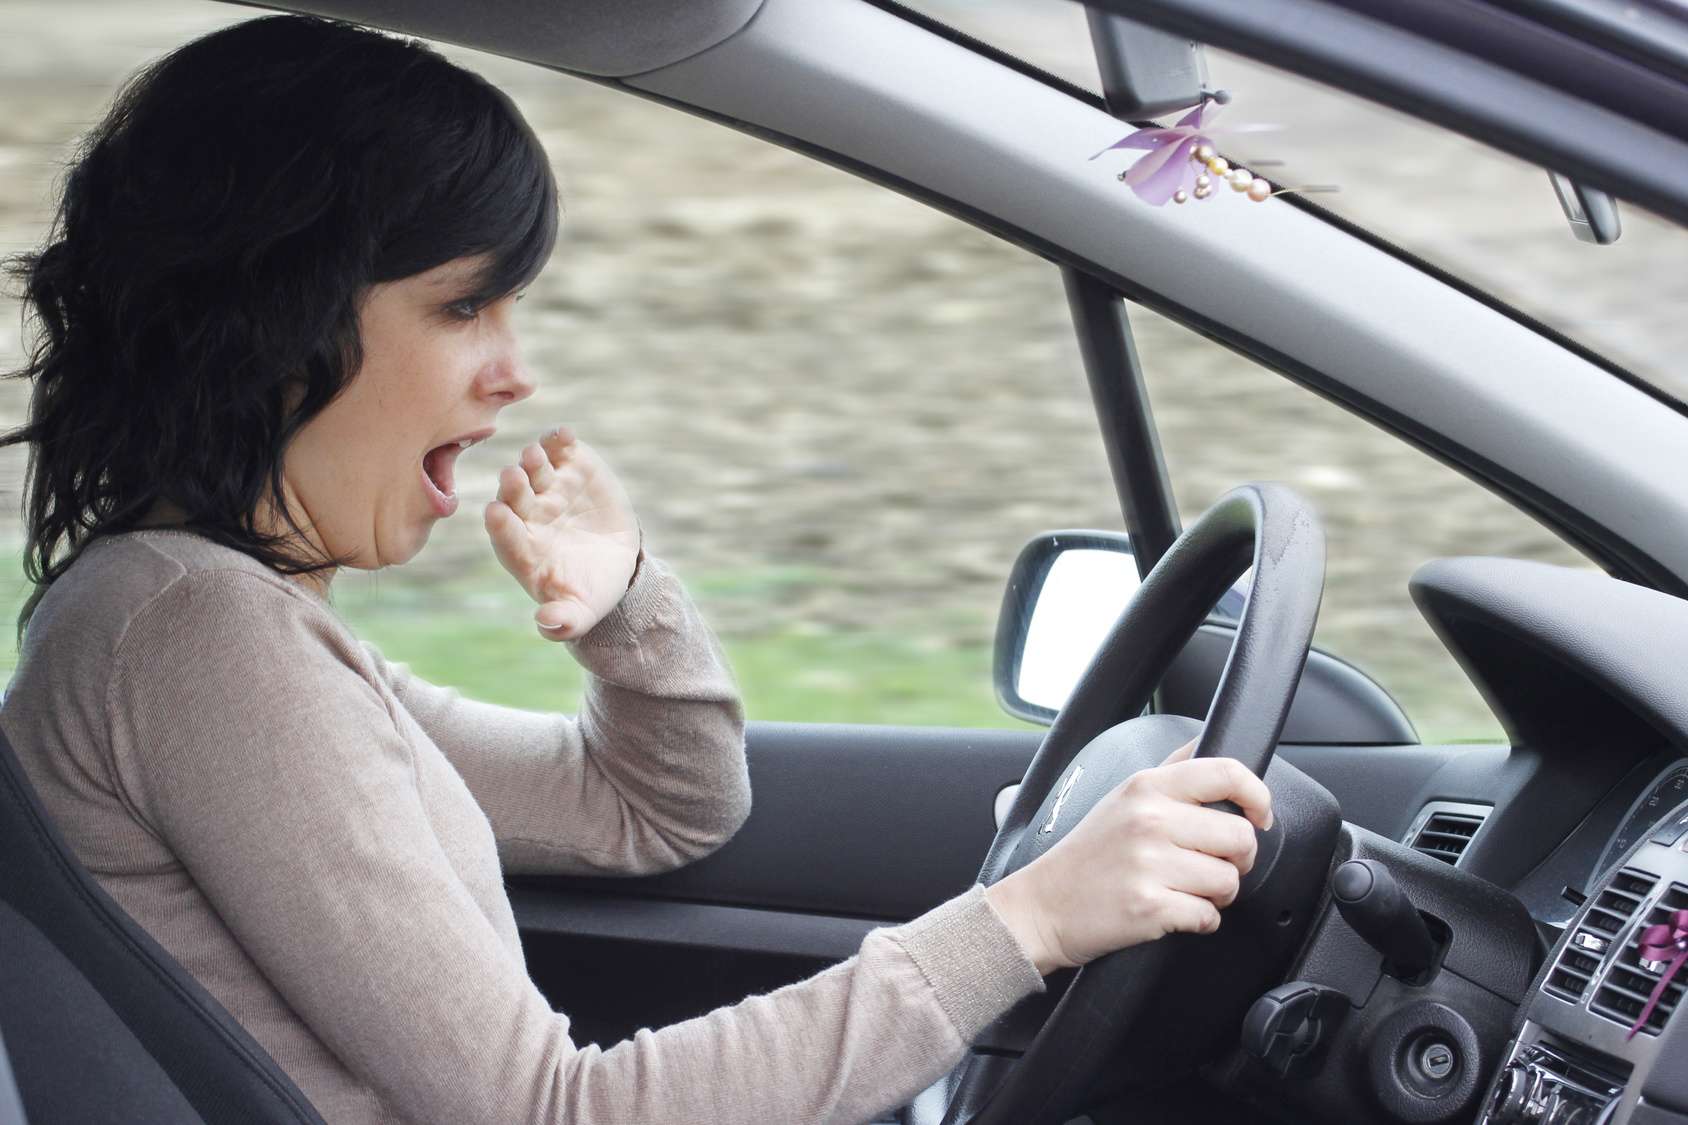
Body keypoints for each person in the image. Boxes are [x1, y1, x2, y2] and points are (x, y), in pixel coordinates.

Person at [0, 15, 1273, 1125]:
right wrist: (1025, 928)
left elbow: (655, 813)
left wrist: (626, 610)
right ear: (274, 321)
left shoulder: (224, 624)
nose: (515, 373)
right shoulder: (195, 640)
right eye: (463, 310)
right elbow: (546, 1108)